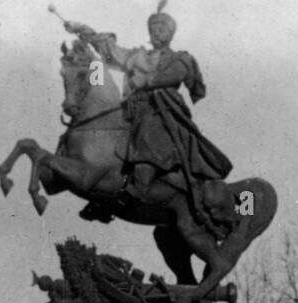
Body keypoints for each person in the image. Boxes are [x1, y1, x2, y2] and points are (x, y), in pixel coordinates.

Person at [65, 3, 232, 208]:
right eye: (153, 30)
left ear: (169, 35)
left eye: (160, 30)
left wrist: (146, 82)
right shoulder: (138, 56)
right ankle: (103, 196)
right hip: (132, 110)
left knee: (149, 127)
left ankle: (141, 184)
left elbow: (176, 75)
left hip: (161, 109)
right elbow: (111, 51)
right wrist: (82, 30)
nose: (155, 33)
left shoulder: (180, 57)